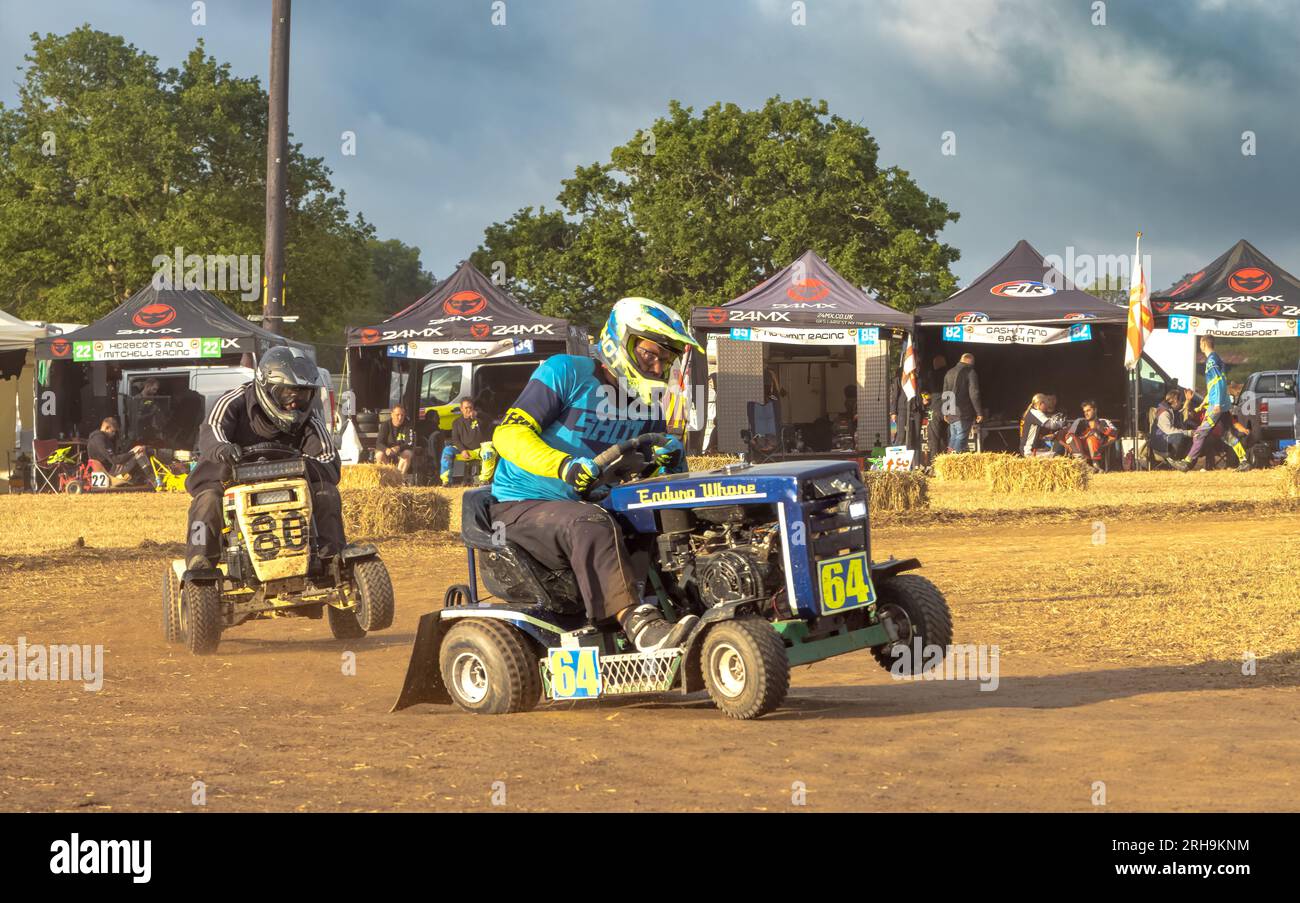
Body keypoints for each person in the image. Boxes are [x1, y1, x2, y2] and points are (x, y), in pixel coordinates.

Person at [490, 297, 703, 652]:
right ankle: (638, 625)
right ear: (621, 341)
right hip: (523, 505)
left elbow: (652, 471)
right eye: (650, 354)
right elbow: (507, 435)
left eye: (665, 360)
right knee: (591, 521)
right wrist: (564, 466)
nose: (656, 366)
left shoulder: (647, 403)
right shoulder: (565, 371)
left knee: (667, 515)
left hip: (595, 506)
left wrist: (673, 462)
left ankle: (692, 602)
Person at [184, 346, 343, 571]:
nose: (294, 402)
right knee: (208, 500)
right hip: (230, 475)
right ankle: (200, 566)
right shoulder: (234, 401)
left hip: (288, 481)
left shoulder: (310, 420)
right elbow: (213, 429)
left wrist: (302, 466)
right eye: (287, 393)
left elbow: (328, 459)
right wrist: (223, 449)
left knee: (326, 493)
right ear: (267, 388)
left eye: (303, 394)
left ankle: (331, 560)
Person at [1172, 335, 1250, 472]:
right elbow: (1214, 385)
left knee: (1200, 433)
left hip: (1217, 405)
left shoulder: (1211, 361)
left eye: (1200, 343)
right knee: (1227, 435)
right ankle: (1244, 461)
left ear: (1203, 344)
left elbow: (1219, 383)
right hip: (1222, 403)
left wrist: (1217, 403)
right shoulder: (1217, 358)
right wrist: (1204, 403)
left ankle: (1187, 463)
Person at [439, 397, 495, 486]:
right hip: (464, 451)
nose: (468, 410)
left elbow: (491, 420)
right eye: (466, 408)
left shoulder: (480, 419)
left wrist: (477, 415)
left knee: (489, 452)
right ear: (461, 409)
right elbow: (455, 439)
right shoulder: (456, 422)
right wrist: (462, 450)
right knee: (447, 451)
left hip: (479, 450)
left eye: (470, 408)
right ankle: (446, 481)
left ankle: (484, 480)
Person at [86, 416, 150, 487]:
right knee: (139, 453)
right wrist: (133, 453)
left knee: (136, 449)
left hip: (104, 468)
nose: (114, 434)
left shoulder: (95, 438)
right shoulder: (100, 439)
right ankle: (154, 480)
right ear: (107, 428)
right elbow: (115, 460)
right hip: (109, 471)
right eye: (113, 431)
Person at [941, 352, 983, 453]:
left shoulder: (949, 372)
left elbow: (945, 393)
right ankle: (954, 459)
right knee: (961, 438)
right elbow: (974, 393)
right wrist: (979, 412)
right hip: (964, 412)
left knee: (954, 437)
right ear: (970, 361)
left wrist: (945, 412)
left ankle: (948, 461)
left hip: (951, 412)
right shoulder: (970, 372)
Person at [1062, 399, 1118, 470]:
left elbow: (1115, 433)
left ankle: (1096, 465)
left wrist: (1101, 429)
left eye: (1088, 410)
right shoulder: (1080, 421)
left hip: (1098, 447)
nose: (1086, 413)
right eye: (1084, 411)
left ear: (1095, 410)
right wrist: (1084, 436)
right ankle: (1083, 464)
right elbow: (1070, 435)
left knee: (1093, 435)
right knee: (1069, 436)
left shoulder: (1103, 421)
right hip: (1080, 448)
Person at [1149, 386, 1194, 464]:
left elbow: (1180, 413)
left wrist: (1188, 401)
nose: (1181, 403)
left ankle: (1184, 463)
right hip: (1161, 443)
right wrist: (1188, 433)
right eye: (1181, 401)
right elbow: (1169, 431)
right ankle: (1176, 462)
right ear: (1176, 401)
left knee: (1189, 439)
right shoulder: (1164, 413)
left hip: (1165, 440)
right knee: (1179, 437)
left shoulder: (1169, 410)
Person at [375, 404, 417, 476]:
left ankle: (399, 478)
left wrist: (399, 448)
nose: (400, 417)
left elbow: (410, 443)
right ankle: (390, 476)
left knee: (407, 454)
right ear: (392, 415)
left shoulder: (409, 425)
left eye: (402, 415)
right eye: (397, 415)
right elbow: (379, 443)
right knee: (379, 455)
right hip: (388, 452)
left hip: (402, 451)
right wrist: (386, 449)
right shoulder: (385, 425)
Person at [923, 354, 948, 464]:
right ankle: (944, 463)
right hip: (948, 408)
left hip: (934, 408)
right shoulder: (949, 374)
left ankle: (935, 464)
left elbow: (925, 391)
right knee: (945, 437)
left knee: (934, 438)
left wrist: (925, 399)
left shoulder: (931, 375)